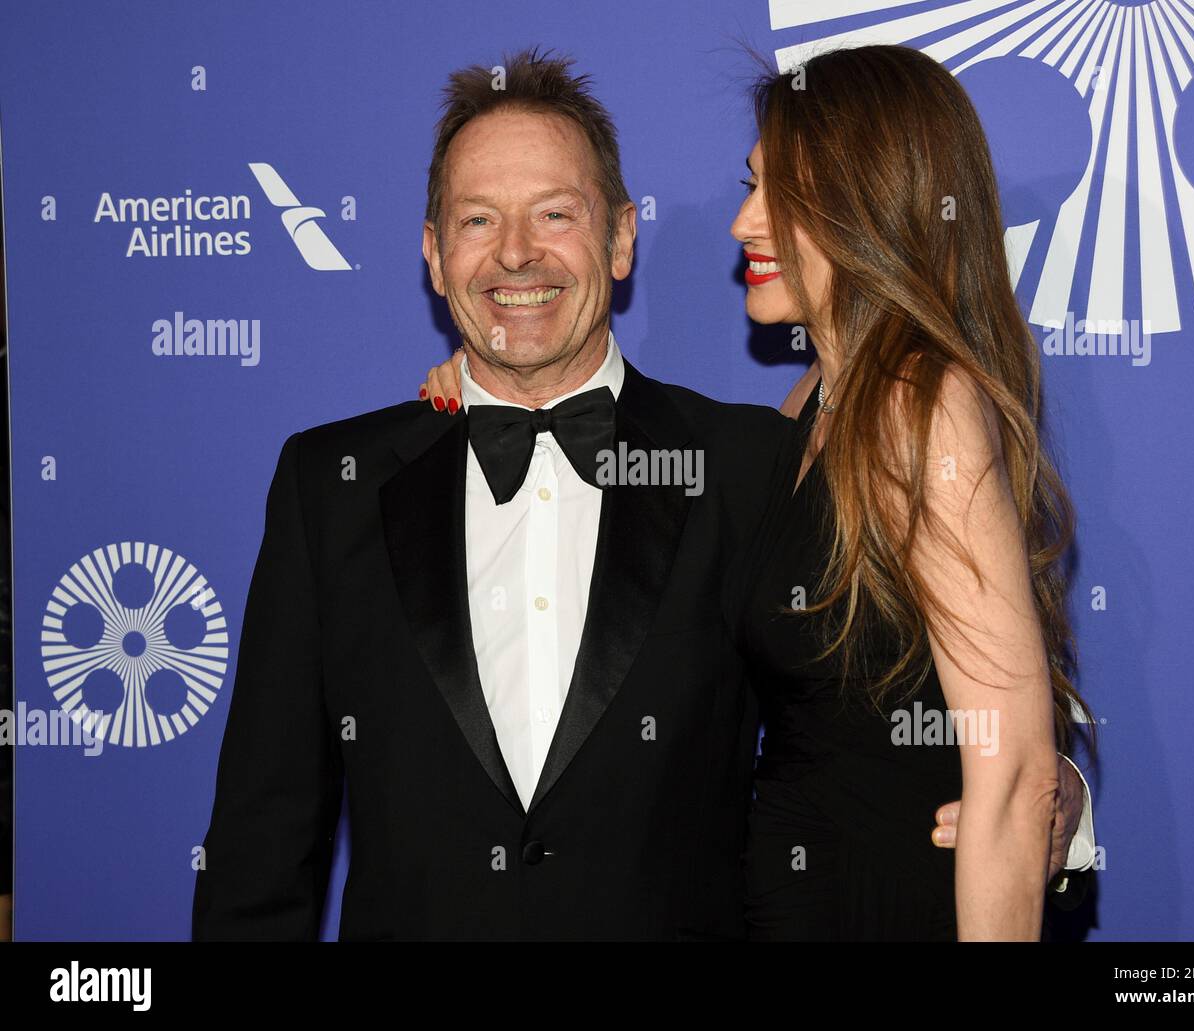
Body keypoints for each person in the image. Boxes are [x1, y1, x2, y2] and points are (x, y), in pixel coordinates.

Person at [194, 46, 1088, 941]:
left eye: (554, 213)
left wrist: (1051, 794)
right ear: (433, 254)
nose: (514, 252)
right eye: (476, 220)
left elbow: (965, 690)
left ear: (622, 238)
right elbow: (261, 842)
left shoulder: (746, 461)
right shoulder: (336, 484)